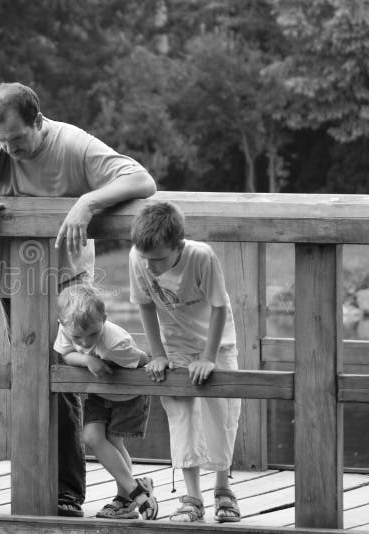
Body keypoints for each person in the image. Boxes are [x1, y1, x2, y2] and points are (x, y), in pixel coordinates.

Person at [0, 81, 156, 517]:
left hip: (66, 280)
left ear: (38, 121)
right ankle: (50, 485)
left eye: (17, 138)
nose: (8, 148)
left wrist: (87, 202)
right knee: (32, 375)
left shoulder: (71, 144)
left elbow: (141, 179)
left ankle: (66, 494)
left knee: (62, 383)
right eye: (1, 140)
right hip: (15, 280)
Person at [128, 201, 242, 523]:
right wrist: (159, 355)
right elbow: (145, 306)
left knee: (222, 415)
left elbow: (219, 308)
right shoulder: (140, 257)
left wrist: (208, 358)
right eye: (146, 259)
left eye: (158, 260)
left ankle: (223, 489)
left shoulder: (201, 257)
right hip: (175, 343)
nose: (150, 267)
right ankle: (192, 497)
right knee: (182, 413)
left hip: (216, 342)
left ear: (178, 246)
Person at [53, 283, 158, 520]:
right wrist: (87, 360)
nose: (85, 342)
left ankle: (124, 499)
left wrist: (113, 362)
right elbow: (67, 354)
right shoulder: (66, 329)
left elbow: (141, 360)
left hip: (127, 397)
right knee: (91, 437)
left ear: (104, 319)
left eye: (93, 334)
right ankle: (135, 490)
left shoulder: (116, 343)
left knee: (113, 441)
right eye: (77, 336)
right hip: (99, 394)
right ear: (62, 325)